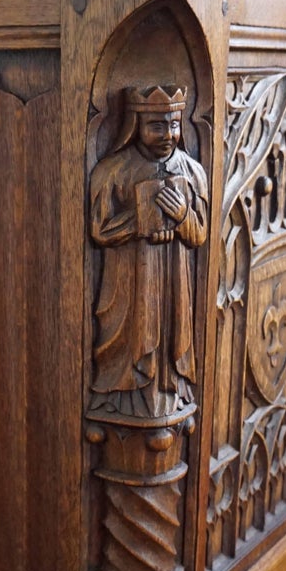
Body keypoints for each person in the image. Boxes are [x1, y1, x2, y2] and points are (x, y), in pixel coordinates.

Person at [89, 85, 208, 420]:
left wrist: (183, 215)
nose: (168, 134)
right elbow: (99, 231)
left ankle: (172, 393)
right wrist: (138, 220)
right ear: (134, 124)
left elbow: (199, 234)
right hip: (130, 286)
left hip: (174, 286)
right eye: (157, 125)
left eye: (173, 124)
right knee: (129, 341)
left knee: (172, 337)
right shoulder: (111, 172)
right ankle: (120, 400)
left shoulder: (193, 172)